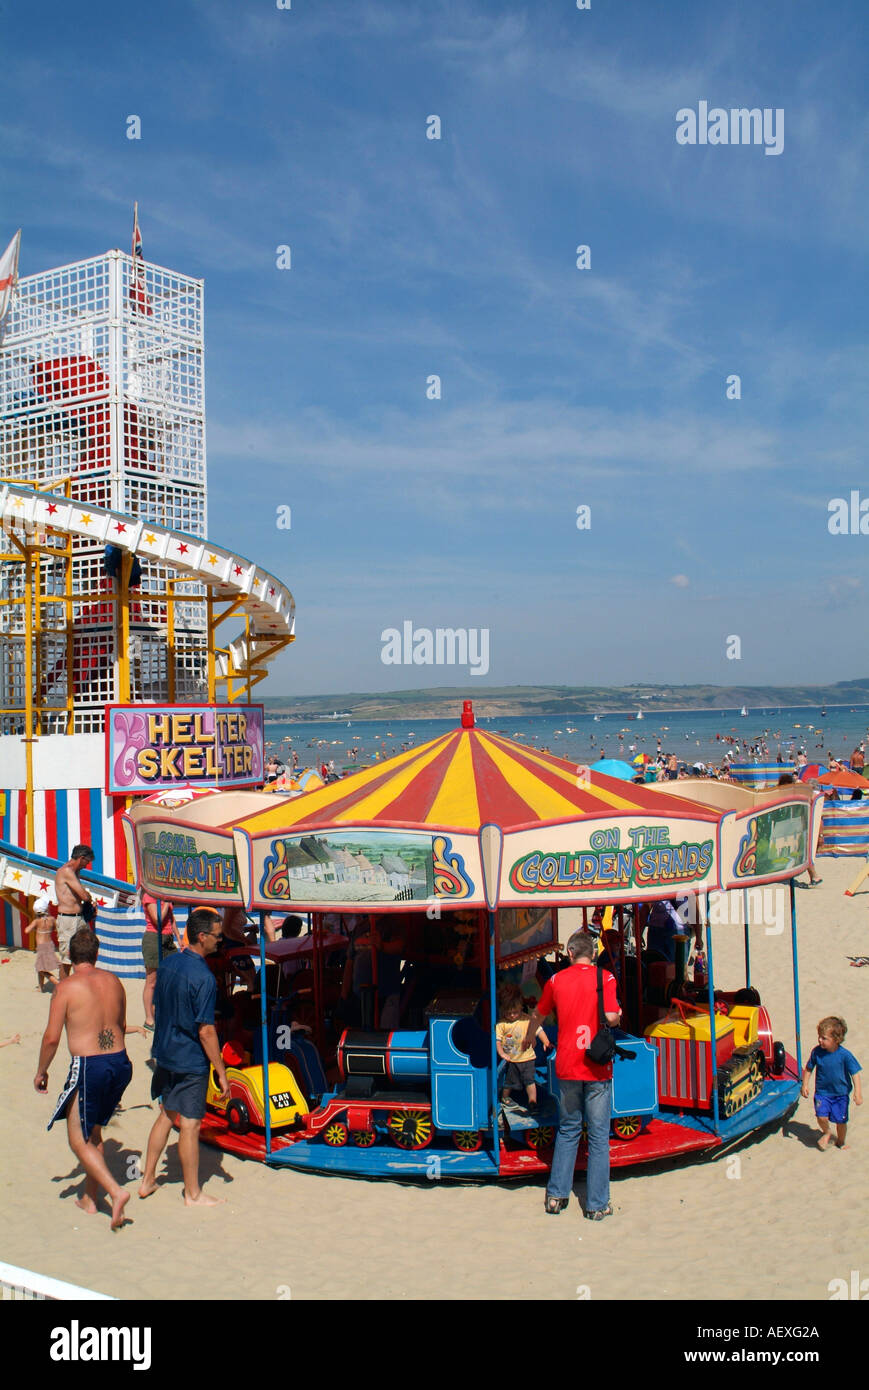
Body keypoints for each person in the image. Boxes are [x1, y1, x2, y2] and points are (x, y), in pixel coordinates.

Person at [35, 929, 144, 1229]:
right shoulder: (114, 981)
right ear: (97, 954)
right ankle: (89, 1198)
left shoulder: (67, 987)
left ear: (70, 955)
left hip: (89, 1064)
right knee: (93, 1132)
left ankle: (116, 1192)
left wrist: (41, 1071)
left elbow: (51, 1038)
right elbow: (120, 1024)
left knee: (77, 1139)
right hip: (120, 1063)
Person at [522, 931, 620, 1219]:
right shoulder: (607, 979)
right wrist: (618, 1016)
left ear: (570, 953)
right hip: (596, 1066)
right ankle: (596, 1204)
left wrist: (529, 1038)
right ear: (592, 953)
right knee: (600, 1136)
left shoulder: (556, 980)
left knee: (568, 1129)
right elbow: (613, 1017)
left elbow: (538, 1015)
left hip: (567, 1064)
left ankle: (556, 1196)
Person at [138, 907, 229, 1207]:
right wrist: (221, 1070)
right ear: (202, 936)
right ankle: (193, 1193)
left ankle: (148, 1179)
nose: (220, 940)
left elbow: (158, 1006)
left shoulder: (169, 964)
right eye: (217, 935)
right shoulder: (204, 978)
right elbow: (206, 1031)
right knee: (189, 1124)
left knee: (166, 1114)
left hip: (165, 1051)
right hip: (189, 1058)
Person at [801, 1015, 862, 1150]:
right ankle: (827, 1132)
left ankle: (841, 1141)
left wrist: (858, 1093)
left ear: (836, 1040)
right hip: (822, 1093)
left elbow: (855, 1074)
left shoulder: (845, 1055)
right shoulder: (817, 1052)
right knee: (821, 1117)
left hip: (841, 1094)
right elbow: (809, 1068)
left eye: (824, 1038)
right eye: (819, 1037)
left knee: (841, 1121)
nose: (819, 1040)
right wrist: (805, 1084)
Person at [496, 983, 551, 1110]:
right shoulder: (501, 1024)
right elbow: (497, 1041)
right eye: (508, 1013)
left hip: (528, 1057)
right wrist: (502, 1053)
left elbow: (538, 1030)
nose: (512, 1016)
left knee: (530, 1081)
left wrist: (546, 1041)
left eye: (515, 1012)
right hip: (512, 1059)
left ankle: (532, 1101)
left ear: (521, 1007)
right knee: (509, 1081)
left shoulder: (526, 1020)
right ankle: (504, 1098)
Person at [141, 891, 182, 1030]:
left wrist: (179, 939)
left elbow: (172, 919)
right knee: (152, 981)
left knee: (174, 975)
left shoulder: (165, 897)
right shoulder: (150, 896)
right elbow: (157, 920)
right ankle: (149, 1018)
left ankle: (167, 1011)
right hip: (153, 938)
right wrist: (166, 903)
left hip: (168, 939)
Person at [54, 845, 95, 979]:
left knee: (84, 952)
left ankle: (79, 985)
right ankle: (63, 991)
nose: (87, 865)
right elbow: (84, 896)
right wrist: (88, 897)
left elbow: (78, 895)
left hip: (78, 918)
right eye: (87, 862)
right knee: (67, 959)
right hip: (68, 920)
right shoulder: (66, 871)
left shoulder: (74, 872)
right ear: (81, 858)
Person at [25, 895, 61, 992]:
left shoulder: (37, 921)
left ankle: (58, 984)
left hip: (41, 947)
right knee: (41, 967)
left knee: (41, 969)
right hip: (50, 945)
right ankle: (41, 987)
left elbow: (27, 931)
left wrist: (35, 928)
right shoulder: (52, 919)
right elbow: (57, 928)